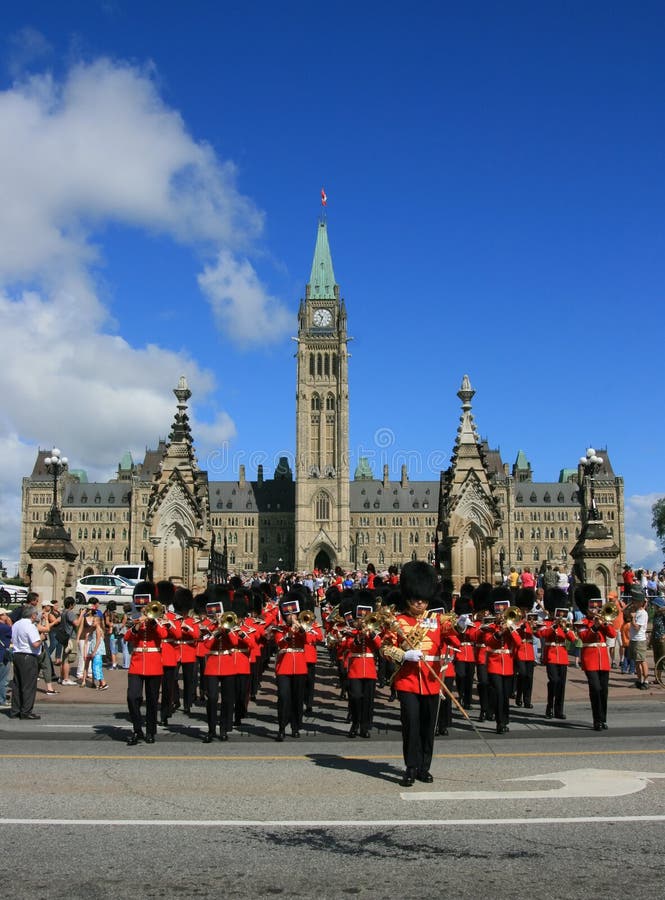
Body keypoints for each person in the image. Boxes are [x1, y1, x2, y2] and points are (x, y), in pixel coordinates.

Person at [380, 560, 454, 786]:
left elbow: (453, 636)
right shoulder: (398, 621)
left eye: (423, 598)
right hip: (408, 681)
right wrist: (403, 656)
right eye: (415, 598)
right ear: (408, 597)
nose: (419, 602)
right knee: (411, 725)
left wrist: (461, 624)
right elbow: (384, 648)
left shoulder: (437, 620)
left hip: (431, 681)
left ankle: (424, 766)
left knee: (427, 726)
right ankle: (411, 767)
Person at [124, 582, 168, 745]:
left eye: (146, 607)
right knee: (132, 697)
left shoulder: (158, 621)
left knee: (151, 699)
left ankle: (150, 731)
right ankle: (137, 729)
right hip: (136, 663)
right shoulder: (135, 619)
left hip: (154, 663)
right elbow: (127, 637)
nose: (143, 609)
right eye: (141, 607)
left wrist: (153, 621)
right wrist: (137, 624)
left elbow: (163, 634)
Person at [576, 585, 615, 730]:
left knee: (604, 690)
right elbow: (585, 636)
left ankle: (603, 718)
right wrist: (595, 627)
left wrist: (604, 623)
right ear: (586, 609)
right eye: (592, 608)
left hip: (603, 660)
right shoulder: (582, 623)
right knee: (596, 688)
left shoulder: (603, 620)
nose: (596, 610)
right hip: (590, 660)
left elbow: (612, 634)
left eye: (597, 607)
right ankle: (596, 719)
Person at [9, 606, 43, 719]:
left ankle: (15, 710)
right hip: (28, 656)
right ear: (32, 615)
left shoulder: (17, 624)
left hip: (17, 654)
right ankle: (26, 711)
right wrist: (42, 637)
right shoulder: (30, 626)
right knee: (28, 685)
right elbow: (35, 643)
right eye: (36, 614)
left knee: (17, 684)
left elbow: (12, 639)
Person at [629, 590, 650, 689]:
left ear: (641, 602)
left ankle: (645, 681)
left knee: (642, 660)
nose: (634, 602)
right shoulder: (635, 611)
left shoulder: (643, 613)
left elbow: (637, 628)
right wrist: (631, 605)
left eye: (636, 601)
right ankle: (639, 680)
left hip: (639, 640)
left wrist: (632, 619)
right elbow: (623, 611)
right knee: (636, 661)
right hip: (633, 639)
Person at [0, 607, 13, 707]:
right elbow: (13, 635)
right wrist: (9, 623)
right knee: (3, 679)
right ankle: (2, 700)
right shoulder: (5, 628)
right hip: (3, 656)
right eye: (5, 614)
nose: (7, 616)